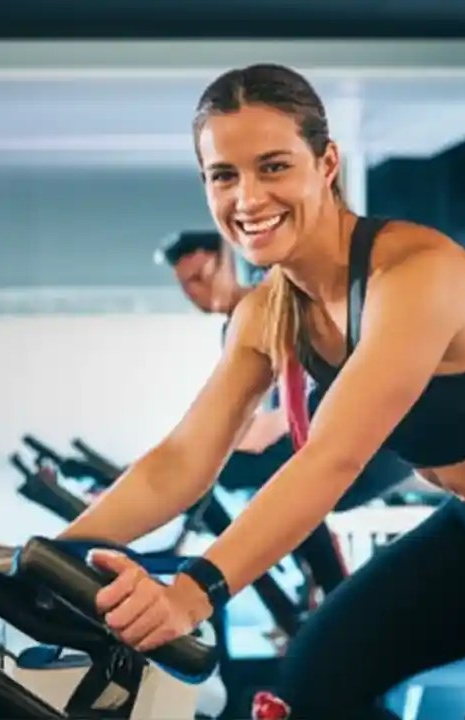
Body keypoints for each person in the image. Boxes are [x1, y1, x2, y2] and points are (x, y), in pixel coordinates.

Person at [0, 64, 465, 719]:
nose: (248, 198)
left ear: (326, 163)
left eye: (274, 166)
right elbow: (182, 460)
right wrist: (48, 554)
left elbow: (328, 460)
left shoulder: (416, 277)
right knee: (309, 686)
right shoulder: (267, 310)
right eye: (224, 175)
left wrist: (194, 592)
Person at [156, 231, 413, 604]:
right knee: (259, 481)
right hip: (331, 440)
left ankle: (331, 597)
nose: (195, 292)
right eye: (186, 285)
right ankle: (319, 596)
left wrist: (204, 453)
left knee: (262, 477)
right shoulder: (237, 327)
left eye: (201, 276)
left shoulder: (272, 308)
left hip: (380, 445)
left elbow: (282, 417)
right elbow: (255, 416)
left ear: (229, 261)